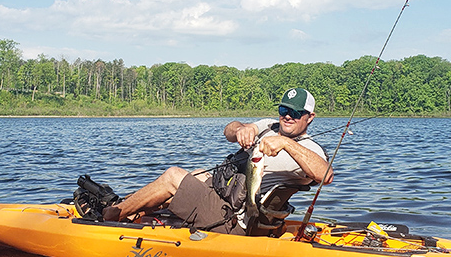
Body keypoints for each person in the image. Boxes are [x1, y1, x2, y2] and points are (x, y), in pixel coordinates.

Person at [101, 87, 333, 234]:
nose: (287, 116)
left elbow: (325, 175)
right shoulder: (270, 125)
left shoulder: (309, 148)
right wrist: (242, 129)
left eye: (295, 113)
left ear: (310, 117)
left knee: (173, 176)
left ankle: (114, 214)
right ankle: (133, 208)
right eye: (284, 109)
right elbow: (228, 130)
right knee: (200, 174)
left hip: (235, 217)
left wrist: (286, 144)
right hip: (226, 196)